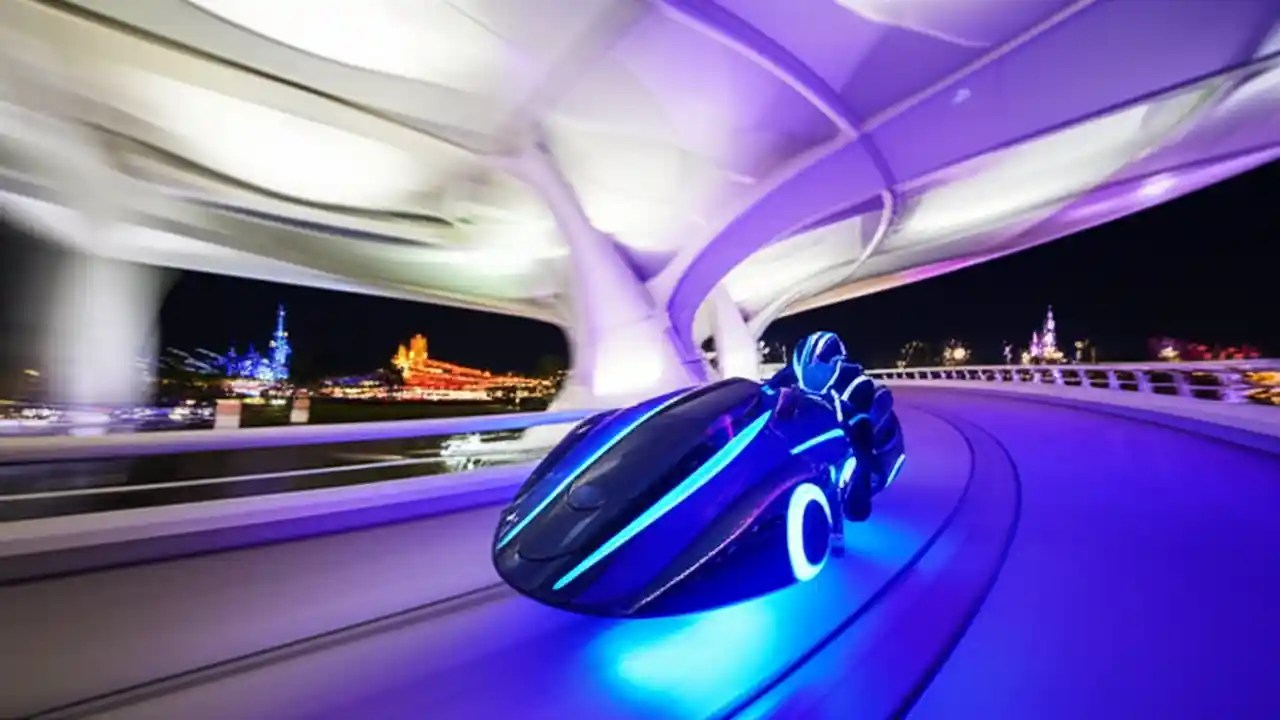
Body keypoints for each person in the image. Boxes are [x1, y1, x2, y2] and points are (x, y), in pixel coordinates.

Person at [763, 331, 905, 524]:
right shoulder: (799, 371)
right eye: (809, 368)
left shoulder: (855, 385)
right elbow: (767, 389)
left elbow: (861, 433)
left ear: (835, 363)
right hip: (827, 420)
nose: (813, 373)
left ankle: (846, 504)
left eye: (819, 368)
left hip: (870, 438)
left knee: (856, 470)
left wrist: (863, 473)